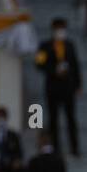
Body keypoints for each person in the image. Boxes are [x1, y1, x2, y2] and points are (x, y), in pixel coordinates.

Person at [34, 18, 82, 157]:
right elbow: (39, 64)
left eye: (63, 29)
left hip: (68, 87)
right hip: (52, 87)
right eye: (58, 29)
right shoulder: (44, 46)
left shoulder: (70, 45)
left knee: (71, 118)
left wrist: (78, 84)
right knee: (53, 119)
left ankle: (75, 148)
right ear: (53, 30)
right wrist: (54, 70)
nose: (60, 32)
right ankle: (55, 148)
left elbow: (75, 65)